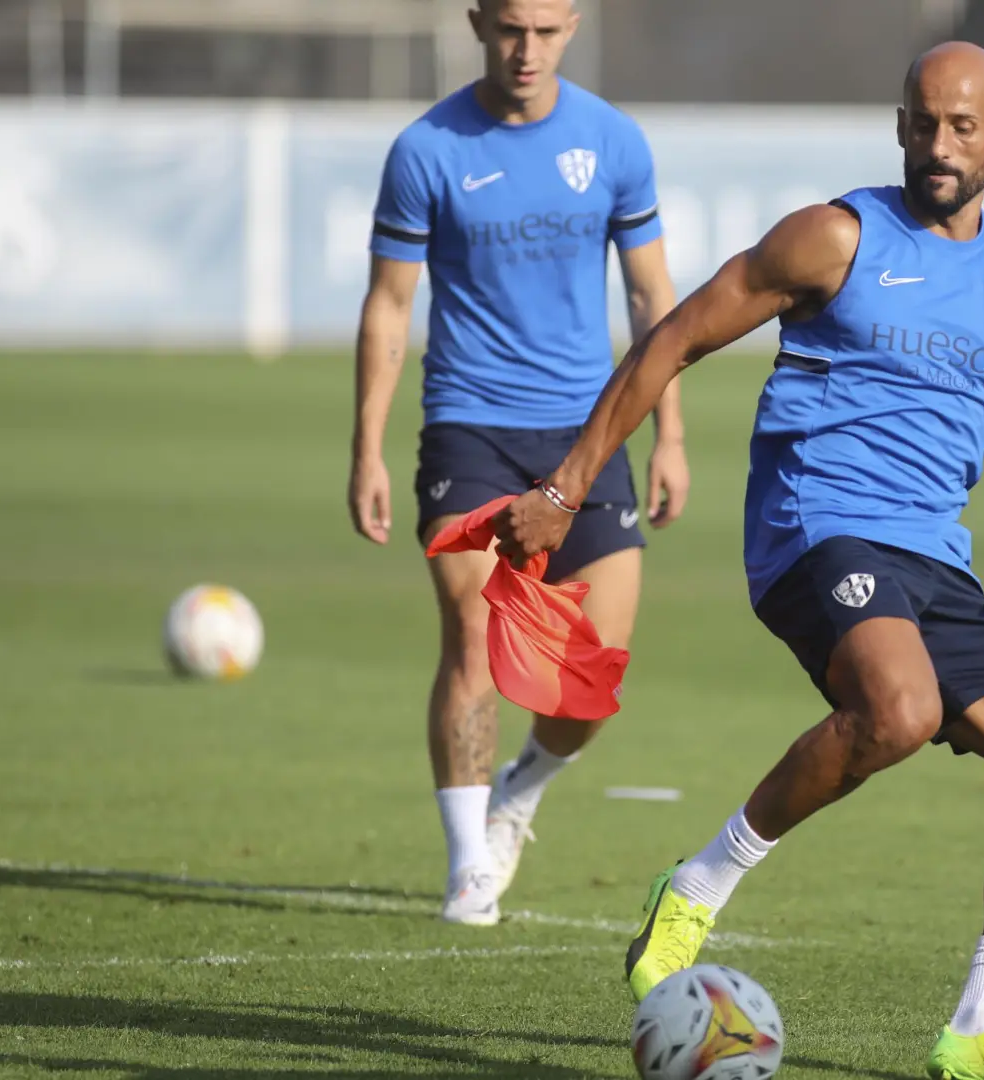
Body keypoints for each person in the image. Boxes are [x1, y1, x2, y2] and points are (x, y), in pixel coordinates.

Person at [492, 40, 984, 1080]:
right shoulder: (836, 238)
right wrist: (567, 488)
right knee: (902, 710)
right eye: (924, 122)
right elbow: (675, 339)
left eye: (964, 126)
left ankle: (981, 1024)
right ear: (899, 123)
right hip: (816, 527)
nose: (940, 145)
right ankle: (697, 889)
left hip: (934, 559)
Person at [348, 0, 689, 927]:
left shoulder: (613, 142)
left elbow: (655, 299)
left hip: (589, 436)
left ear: (573, 24)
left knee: (594, 678)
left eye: (543, 30)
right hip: (469, 426)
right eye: (508, 29)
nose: (525, 49)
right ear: (477, 23)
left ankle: (524, 786)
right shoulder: (427, 148)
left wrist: (670, 436)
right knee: (472, 635)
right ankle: (467, 866)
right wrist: (367, 448)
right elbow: (389, 305)